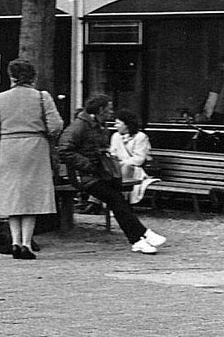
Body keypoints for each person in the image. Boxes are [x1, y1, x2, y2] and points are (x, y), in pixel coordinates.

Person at [60, 94, 167, 255]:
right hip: (84, 176)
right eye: (109, 109)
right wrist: (88, 165)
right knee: (116, 199)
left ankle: (138, 239)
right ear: (100, 110)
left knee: (118, 201)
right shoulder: (79, 126)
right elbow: (65, 150)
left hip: (96, 174)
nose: (111, 113)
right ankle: (142, 235)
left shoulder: (96, 125)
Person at [0, 59, 63, 260]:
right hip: (35, 149)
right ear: (33, 77)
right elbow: (56, 125)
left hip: (9, 150)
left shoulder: (1, 99)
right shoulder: (41, 97)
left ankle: (15, 242)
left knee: (12, 197)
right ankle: (27, 242)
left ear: (11, 77)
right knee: (30, 198)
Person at [109, 110, 154, 206]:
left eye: (118, 123)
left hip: (136, 170)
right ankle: (95, 202)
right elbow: (112, 154)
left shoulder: (141, 137)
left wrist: (122, 163)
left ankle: (121, 201)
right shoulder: (115, 136)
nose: (115, 126)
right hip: (117, 169)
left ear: (126, 124)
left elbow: (139, 159)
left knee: (126, 167)